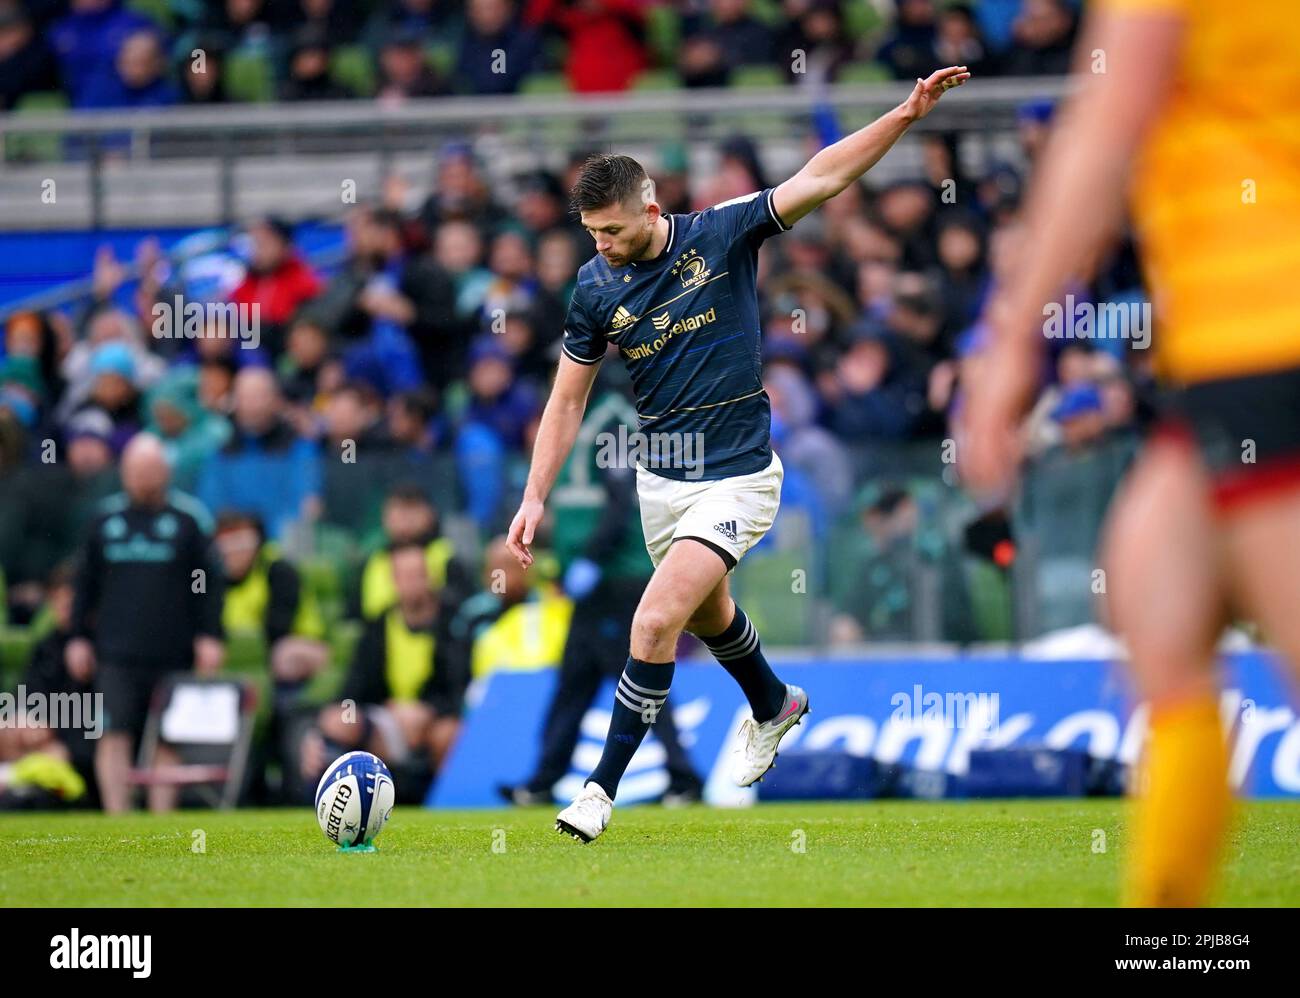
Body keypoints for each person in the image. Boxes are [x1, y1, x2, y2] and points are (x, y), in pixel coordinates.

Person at [506, 64, 971, 842]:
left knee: (655, 622)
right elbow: (566, 400)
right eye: (592, 234)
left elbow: (821, 176)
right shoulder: (593, 290)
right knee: (711, 613)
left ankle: (597, 792)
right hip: (664, 484)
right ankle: (772, 704)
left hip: (739, 478)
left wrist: (904, 115)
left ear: (651, 209)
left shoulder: (721, 233)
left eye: (614, 230)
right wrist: (533, 496)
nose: (604, 246)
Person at [959, 1, 1300, 906]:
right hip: (1227, 356)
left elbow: (1108, 122)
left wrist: (1009, 345)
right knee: (1154, 603)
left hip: (1267, 337)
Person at [501, 373, 705, 805]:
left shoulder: (609, 424)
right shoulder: (596, 423)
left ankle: (683, 776)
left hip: (618, 580)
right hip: (598, 585)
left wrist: (591, 560)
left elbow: (617, 505)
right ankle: (543, 780)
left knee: (636, 679)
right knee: (577, 681)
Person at [66, 433, 224, 812]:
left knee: (168, 737)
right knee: (113, 733)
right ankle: (119, 821)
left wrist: (210, 635)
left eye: (151, 470)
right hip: (116, 653)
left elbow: (208, 585)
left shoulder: (188, 521)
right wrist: (77, 637)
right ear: (123, 473)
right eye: (135, 470)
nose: (143, 478)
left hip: (173, 650)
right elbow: (84, 585)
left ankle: (161, 821)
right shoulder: (104, 521)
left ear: (166, 472)